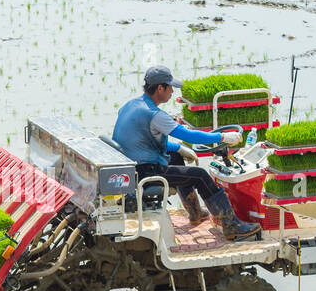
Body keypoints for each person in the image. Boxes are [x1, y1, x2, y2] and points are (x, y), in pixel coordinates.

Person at [111, 65, 261, 241]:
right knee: (200, 175)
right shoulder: (155, 115)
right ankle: (231, 226)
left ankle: (195, 213)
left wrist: (179, 149)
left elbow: (143, 140)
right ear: (160, 88)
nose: (173, 92)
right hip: (145, 172)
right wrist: (222, 137)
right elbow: (188, 135)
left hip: (132, 168)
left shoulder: (131, 105)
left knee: (176, 157)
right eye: (170, 87)